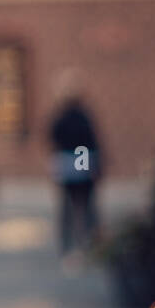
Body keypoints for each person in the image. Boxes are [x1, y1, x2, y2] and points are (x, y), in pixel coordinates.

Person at [48, 70, 104, 256]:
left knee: (69, 205)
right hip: (80, 158)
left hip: (68, 161)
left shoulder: (61, 117)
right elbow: (91, 141)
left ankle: (71, 244)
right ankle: (87, 241)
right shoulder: (82, 117)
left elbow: (52, 138)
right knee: (85, 203)